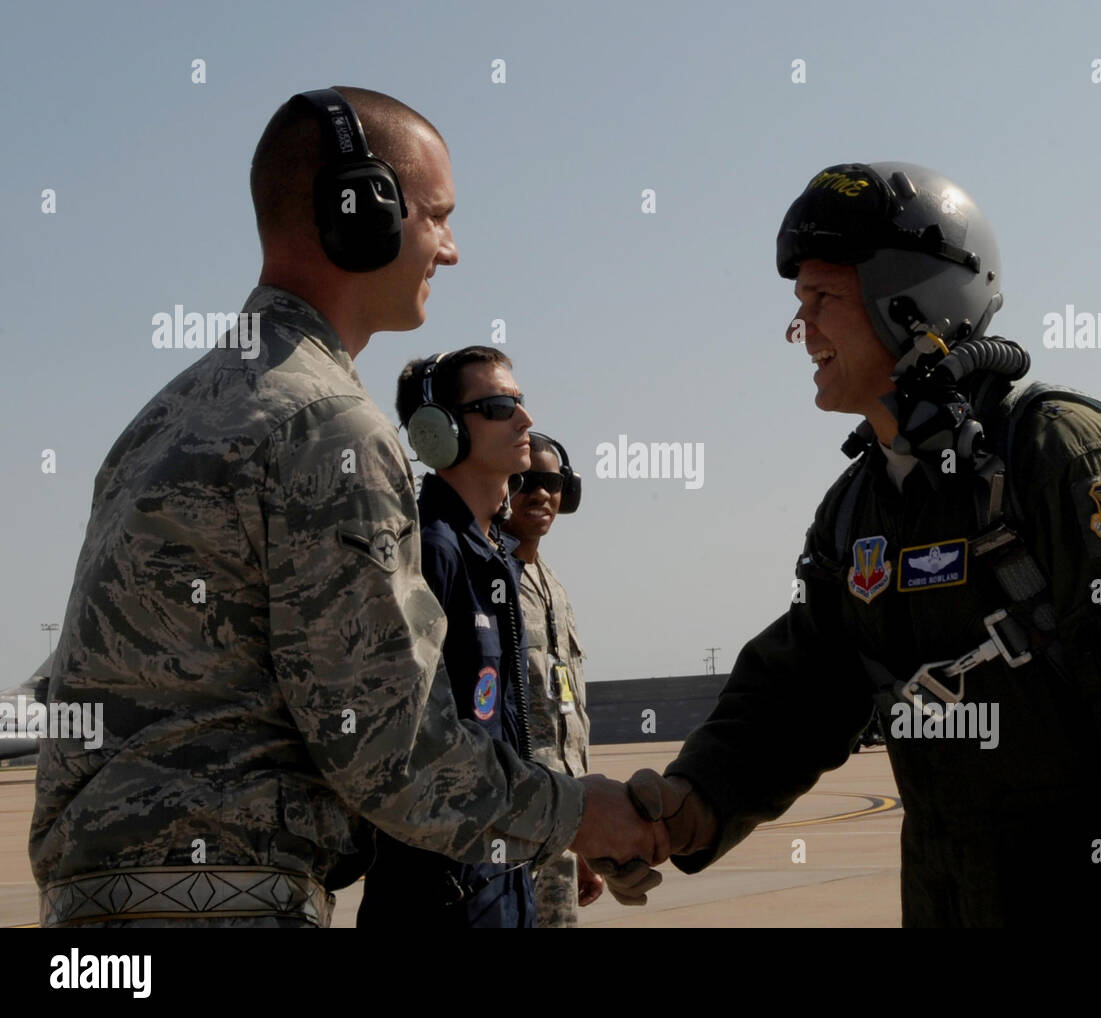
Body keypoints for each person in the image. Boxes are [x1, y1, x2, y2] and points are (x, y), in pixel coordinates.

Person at [28, 86, 662, 928]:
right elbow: (390, 755)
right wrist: (579, 811)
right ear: (360, 213)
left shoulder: (162, 419)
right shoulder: (329, 428)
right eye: (436, 217)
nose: (452, 249)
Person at [599, 162, 1101, 927]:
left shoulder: (1060, 460)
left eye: (824, 298)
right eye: (799, 302)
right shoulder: (858, 510)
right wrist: (690, 804)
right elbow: (800, 691)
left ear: (911, 305)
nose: (800, 328)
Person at [359, 346, 539, 927]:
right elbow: (402, 741)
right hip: (437, 895)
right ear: (438, 432)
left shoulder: (492, 558)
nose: (524, 419)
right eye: (498, 405)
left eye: (519, 401)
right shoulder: (428, 553)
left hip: (500, 880)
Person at [503, 432, 604, 925]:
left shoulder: (553, 589)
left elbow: (568, 721)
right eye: (525, 481)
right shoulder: (484, 577)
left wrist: (581, 841)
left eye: (552, 482)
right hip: (506, 824)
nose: (540, 494)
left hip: (559, 826)